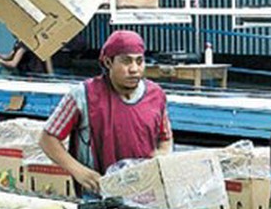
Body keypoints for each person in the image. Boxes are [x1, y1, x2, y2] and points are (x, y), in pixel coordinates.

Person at [39, 30, 173, 195]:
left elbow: (165, 138)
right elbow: (48, 138)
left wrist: (162, 155)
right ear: (108, 62)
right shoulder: (83, 95)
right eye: (126, 61)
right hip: (97, 195)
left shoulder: (156, 95)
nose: (134, 69)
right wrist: (78, 171)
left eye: (139, 61)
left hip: (144, 194)